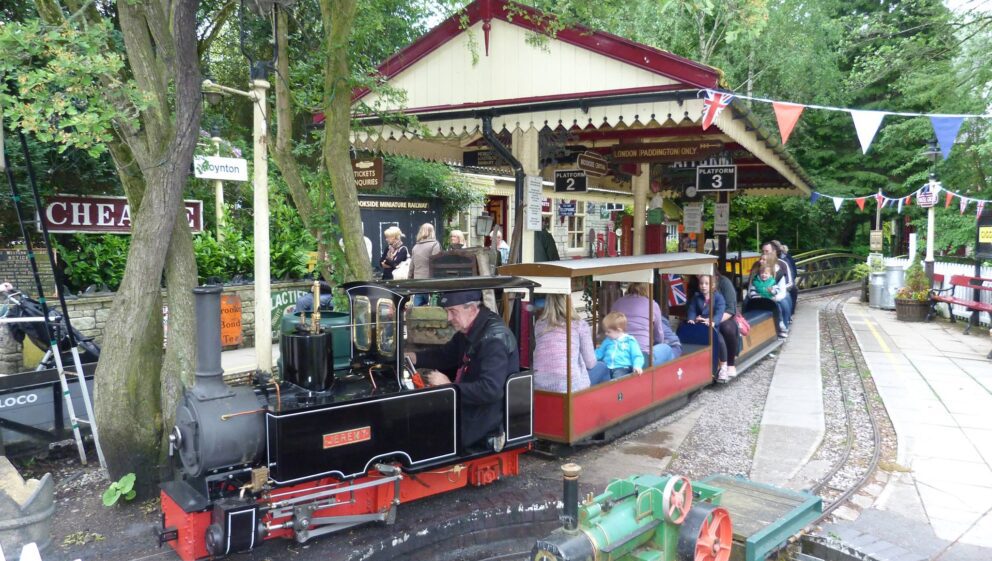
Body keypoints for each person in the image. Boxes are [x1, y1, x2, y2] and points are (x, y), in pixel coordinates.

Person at [404, 290, 517, 449]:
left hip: (482, 417)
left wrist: (449, 386)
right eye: (447, 311)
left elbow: (490, 390)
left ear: (471, 309)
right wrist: (414, 358)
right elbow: (444, 355)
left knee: (419, 425)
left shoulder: (493, 340)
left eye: (452, 312)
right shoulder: (471, 329)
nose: (449, 318)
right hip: (470, 407)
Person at [532, 294, 596, 392]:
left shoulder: (539, 324)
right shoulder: (579, 324)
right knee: (602, 368)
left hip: (539, 382)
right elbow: (590, 363)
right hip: (570, 385)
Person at [610, 282, 682, 365]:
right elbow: (658, 335)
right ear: (647, 288)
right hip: (642, 357)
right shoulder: (652, 305)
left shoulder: (618, 303)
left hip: (619, 354)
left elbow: (611, 327)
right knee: (667, 348)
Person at [686, 274, 729, 382]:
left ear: (713, 285)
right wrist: (691, 318)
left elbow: (720, 312)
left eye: (706, 283)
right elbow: (692, 309)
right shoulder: (696, 297)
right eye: (701, 283)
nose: (703, 286)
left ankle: (723, 366)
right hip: (699, 324)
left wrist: (712, 321)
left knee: (719, 341)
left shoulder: (718, 298)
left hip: (712, 326)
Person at [593, 312, 644, 380]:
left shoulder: (629, 341)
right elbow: (600, 352)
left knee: (617, 380)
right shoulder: (607, 341)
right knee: (600, 376)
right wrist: (592, 357)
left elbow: (637, 355)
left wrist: (637, 366)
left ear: (619, 330)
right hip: (607, 367)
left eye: (608, 332)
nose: (606, 333)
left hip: (622, 368)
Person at [748, 256, 791, 336]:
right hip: (759, 300)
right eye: (762, 274)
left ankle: (781, 325)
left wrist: (773, 292)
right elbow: (752, 290)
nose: (764, 275)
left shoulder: (772, 281)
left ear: (770, 274)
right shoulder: (756, 280)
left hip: (770, 299)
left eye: (766, 274)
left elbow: (778, 290)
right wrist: (755, 297)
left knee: (778, 308)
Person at [714, 270, 740, 378]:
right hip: (705, 318)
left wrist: (714, 321)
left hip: (725, 317)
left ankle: (730, 364)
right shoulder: (695, 285)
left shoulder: (724, 283)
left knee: (727, 328)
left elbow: (730, 310)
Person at [410, 223, 442, 305]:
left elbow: (411, 267)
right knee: (431, 311)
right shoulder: (435, 245)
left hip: (418, 282)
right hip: (430, 283)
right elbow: (436, 263)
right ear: (432, 232)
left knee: (417, 310)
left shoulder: (415, 247)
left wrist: (409, 279)